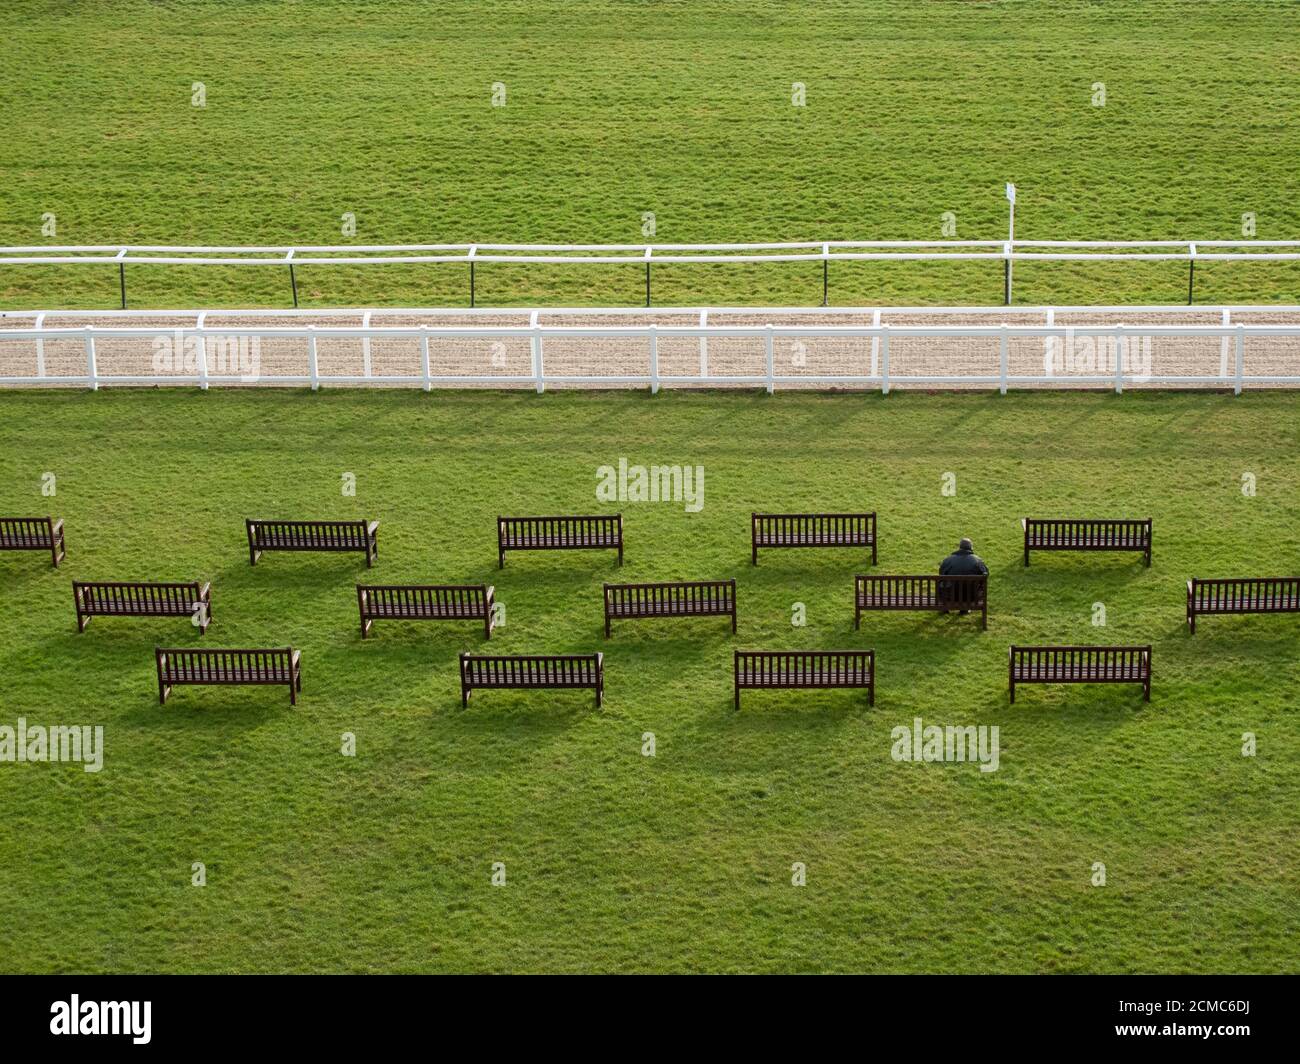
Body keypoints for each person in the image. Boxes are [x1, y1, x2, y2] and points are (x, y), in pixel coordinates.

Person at [938, 537, 989, 614]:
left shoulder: (948, 560)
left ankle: (945, 608)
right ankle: (964, 609)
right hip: (971, 597)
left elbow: (941, 574)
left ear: (960, 547)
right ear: (971, 547)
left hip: (950, 596)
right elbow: (985, 574)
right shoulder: (977, 560)